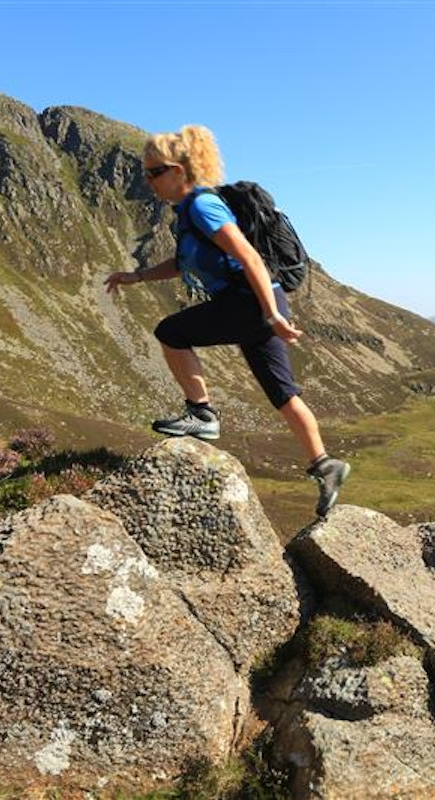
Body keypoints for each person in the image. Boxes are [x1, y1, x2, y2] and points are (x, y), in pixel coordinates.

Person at [104, 125, 350, 518]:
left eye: (154, 173)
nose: (148, 181)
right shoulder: (188, 213)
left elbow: (250, 257)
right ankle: (325, 465)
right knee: (284, 394)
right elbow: (182, 263)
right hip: (255, 306)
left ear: (178, 172)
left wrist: (271, 314)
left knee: (171, 332)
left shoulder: (203, 207)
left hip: (250, 304)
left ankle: (201, 414)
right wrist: (136, 277)